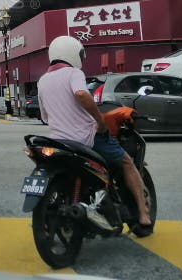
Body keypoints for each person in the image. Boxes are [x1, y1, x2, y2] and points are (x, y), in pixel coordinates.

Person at [37, 35, 153, 236]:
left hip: (59, 141)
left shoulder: (43, 80)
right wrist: (99, 120)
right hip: (86, 139)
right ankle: (143, 215)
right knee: (126, 162)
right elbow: (81, 94)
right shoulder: (74, 73)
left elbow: (45, 116)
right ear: (72, 53)